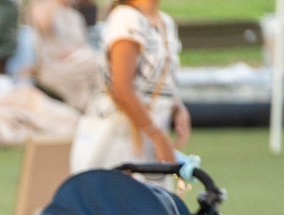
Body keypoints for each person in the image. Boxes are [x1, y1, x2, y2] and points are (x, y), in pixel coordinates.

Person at [70, 0, 190, 174]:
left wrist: (178, 107)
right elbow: (122, 89)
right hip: (118, 135)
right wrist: (156, 136)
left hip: (150, 131)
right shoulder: (126, 18)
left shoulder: (166, 22)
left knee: (152, 196)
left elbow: (160, 78)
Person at [26, 0, 99, 111]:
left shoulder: (75, 16)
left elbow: (83, 45)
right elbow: (44, 24)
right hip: (55, 67)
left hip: (78, 62)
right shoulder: (44, 8)